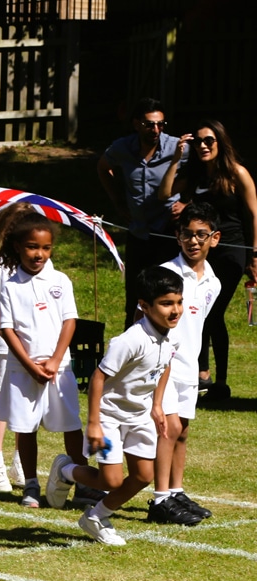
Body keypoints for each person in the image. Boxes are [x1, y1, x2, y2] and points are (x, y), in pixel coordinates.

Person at [46, 267, 181, 546]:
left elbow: (165, 364)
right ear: (144, 306)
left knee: (144, 475)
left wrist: (157, 404)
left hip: (139, 416)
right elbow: (98, 377)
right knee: (112, 481)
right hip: (109, 420)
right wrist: (94, 423)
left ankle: (96, 517)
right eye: (167, 303)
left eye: (178, 301)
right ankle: (65, 470)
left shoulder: (168, 335)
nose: (175, 310)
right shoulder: (130, 340)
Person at [158, 119, 257, 403]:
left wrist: (254, 255)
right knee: (198, 311)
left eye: (209, 140)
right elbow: (165, 193)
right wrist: (177, 158)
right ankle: (202, 375)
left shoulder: (236, 173)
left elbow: (253, 214)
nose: (202, 146)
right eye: (197, 141)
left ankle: (217, 380)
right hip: (201, 249)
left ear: (220, 143)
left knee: (213, 312)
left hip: (231, 250)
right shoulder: (196, 175)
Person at [0, 212, 88, 508]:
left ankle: (83, 482)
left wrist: (55, 359)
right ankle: (31, 484)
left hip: (58, 370)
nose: (39, 254)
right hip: (23, 372)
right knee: (26, 428)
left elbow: (69, 321)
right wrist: (30, 366)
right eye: (32, 247)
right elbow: (7, 329)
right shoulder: (10, 286)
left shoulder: (60, 280)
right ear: (18, 248)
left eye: (46, 248)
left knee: (72, 425)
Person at [149, 202, 222, 524]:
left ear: (215, 238)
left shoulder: (214, 283)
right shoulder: (166, 274)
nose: (193, 241)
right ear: (178, 237)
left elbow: (197, 326)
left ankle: (176, 491)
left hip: (189, 367)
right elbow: (148, 319)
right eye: (187, 235)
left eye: (201, 235)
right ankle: (160, 499)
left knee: (182, 431)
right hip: (165, 365)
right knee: (168, 428)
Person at [98, 97, 185, 326]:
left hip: (167, 232)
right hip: (138, 232)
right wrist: (117, 202)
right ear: (136, 124)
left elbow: (200, 176)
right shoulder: (122, 148)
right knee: (136, 297)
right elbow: (103, 167)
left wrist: (188, 204)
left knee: (167, 294)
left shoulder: (177, 148)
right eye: (149, 124)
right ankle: (133, 349)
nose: (156, 130)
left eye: (161, 124)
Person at [0, 203, 35, 494]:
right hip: (5, 344)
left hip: (32, 346)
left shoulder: (42, 264)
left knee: (25, 404)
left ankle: (20, 461)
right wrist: (8, 333)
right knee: (0, 401)